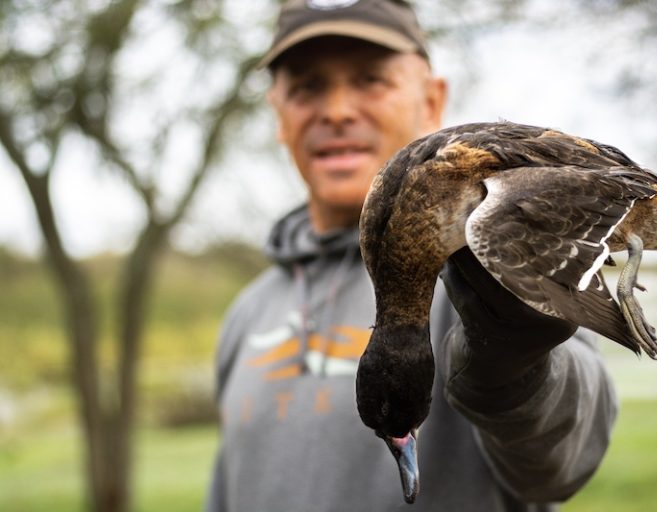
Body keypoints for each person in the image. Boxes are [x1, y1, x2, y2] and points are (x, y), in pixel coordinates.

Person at [206, 1, 617, 510]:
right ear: (278, 112)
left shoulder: (489, 269)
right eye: (308, 86)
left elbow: (562, 465)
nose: (336, 110)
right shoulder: (247, 313)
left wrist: (515, 368)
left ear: (432, 101)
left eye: (370, 79)